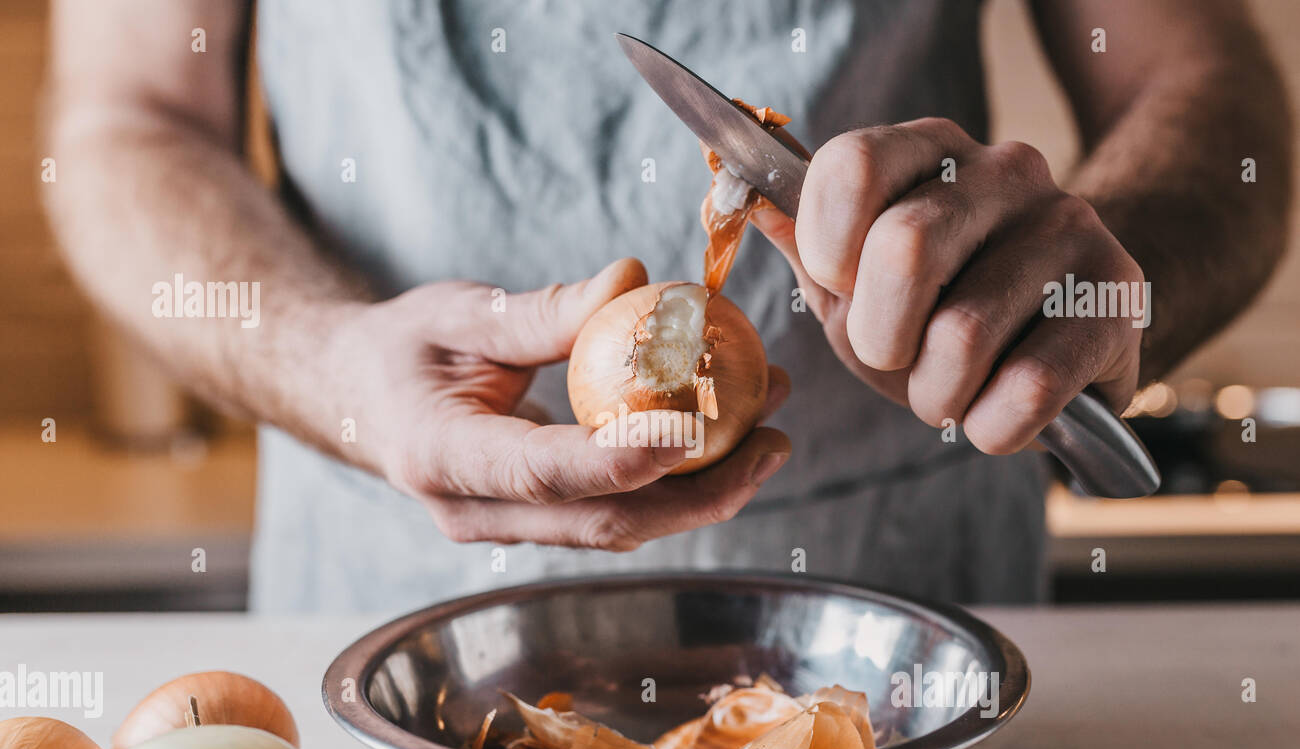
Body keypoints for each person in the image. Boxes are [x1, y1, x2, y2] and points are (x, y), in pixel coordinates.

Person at [44, 1, 1290, 613]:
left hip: (902, 614)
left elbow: (1197, 71)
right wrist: (323, 364)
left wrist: (1090, 283)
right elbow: (126, 121)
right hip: (398, 598)